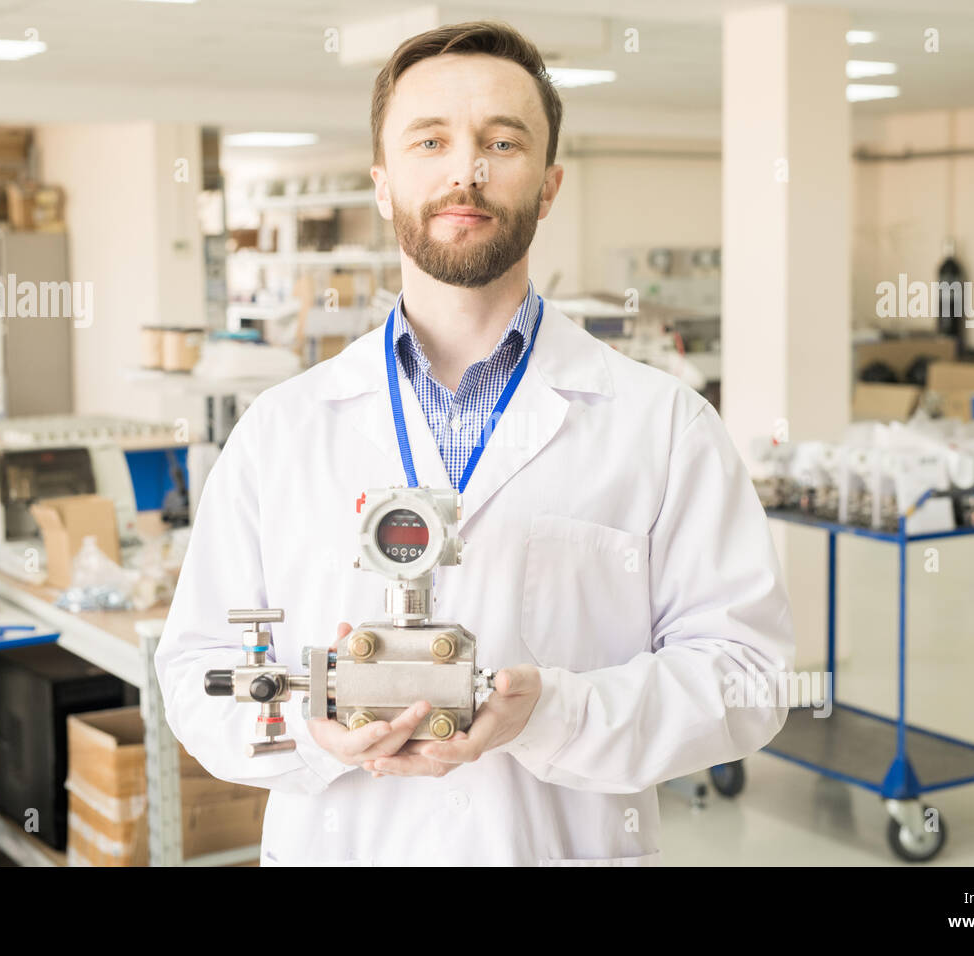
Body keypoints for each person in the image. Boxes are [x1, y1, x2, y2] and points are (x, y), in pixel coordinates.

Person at [156, 20, 794, 866]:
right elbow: (198, 671)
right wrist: (310, 734)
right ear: (383, 185)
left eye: (503, 140)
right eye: (430, 141)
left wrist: (553, 712)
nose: (467, 171)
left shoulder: (662, 425)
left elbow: (747, 676)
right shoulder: (282, 430)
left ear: (550, 183)